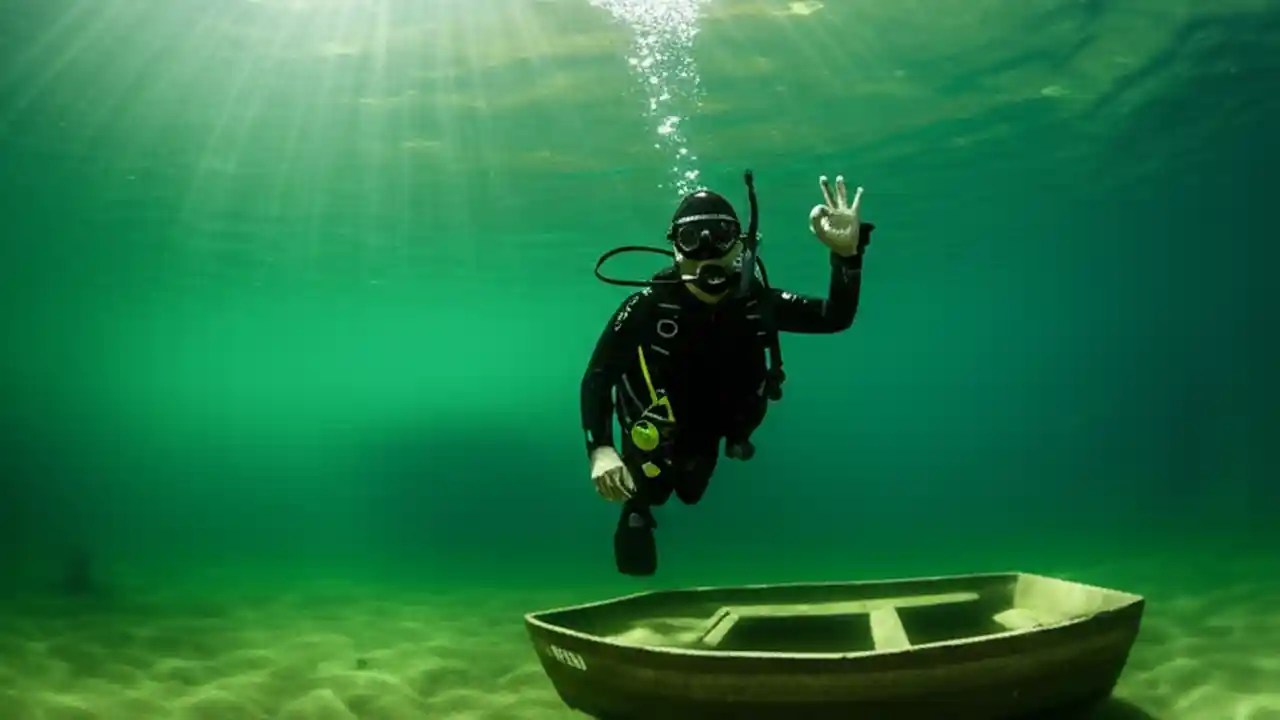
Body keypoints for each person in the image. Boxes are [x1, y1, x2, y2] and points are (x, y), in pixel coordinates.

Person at [581, 171, 875, 576]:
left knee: (692, 492)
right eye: (691, 239)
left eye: (720, 236)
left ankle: (653, 498)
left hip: (714, 429)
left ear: (741, 246)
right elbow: (598, 375)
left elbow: (835, 316)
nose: (706, 251)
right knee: (651, 491)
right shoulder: (646, 308)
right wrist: (600, 448)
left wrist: (847, 255)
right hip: (654, 433)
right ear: (674, 251)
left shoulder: (758, 303)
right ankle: (637, 512)